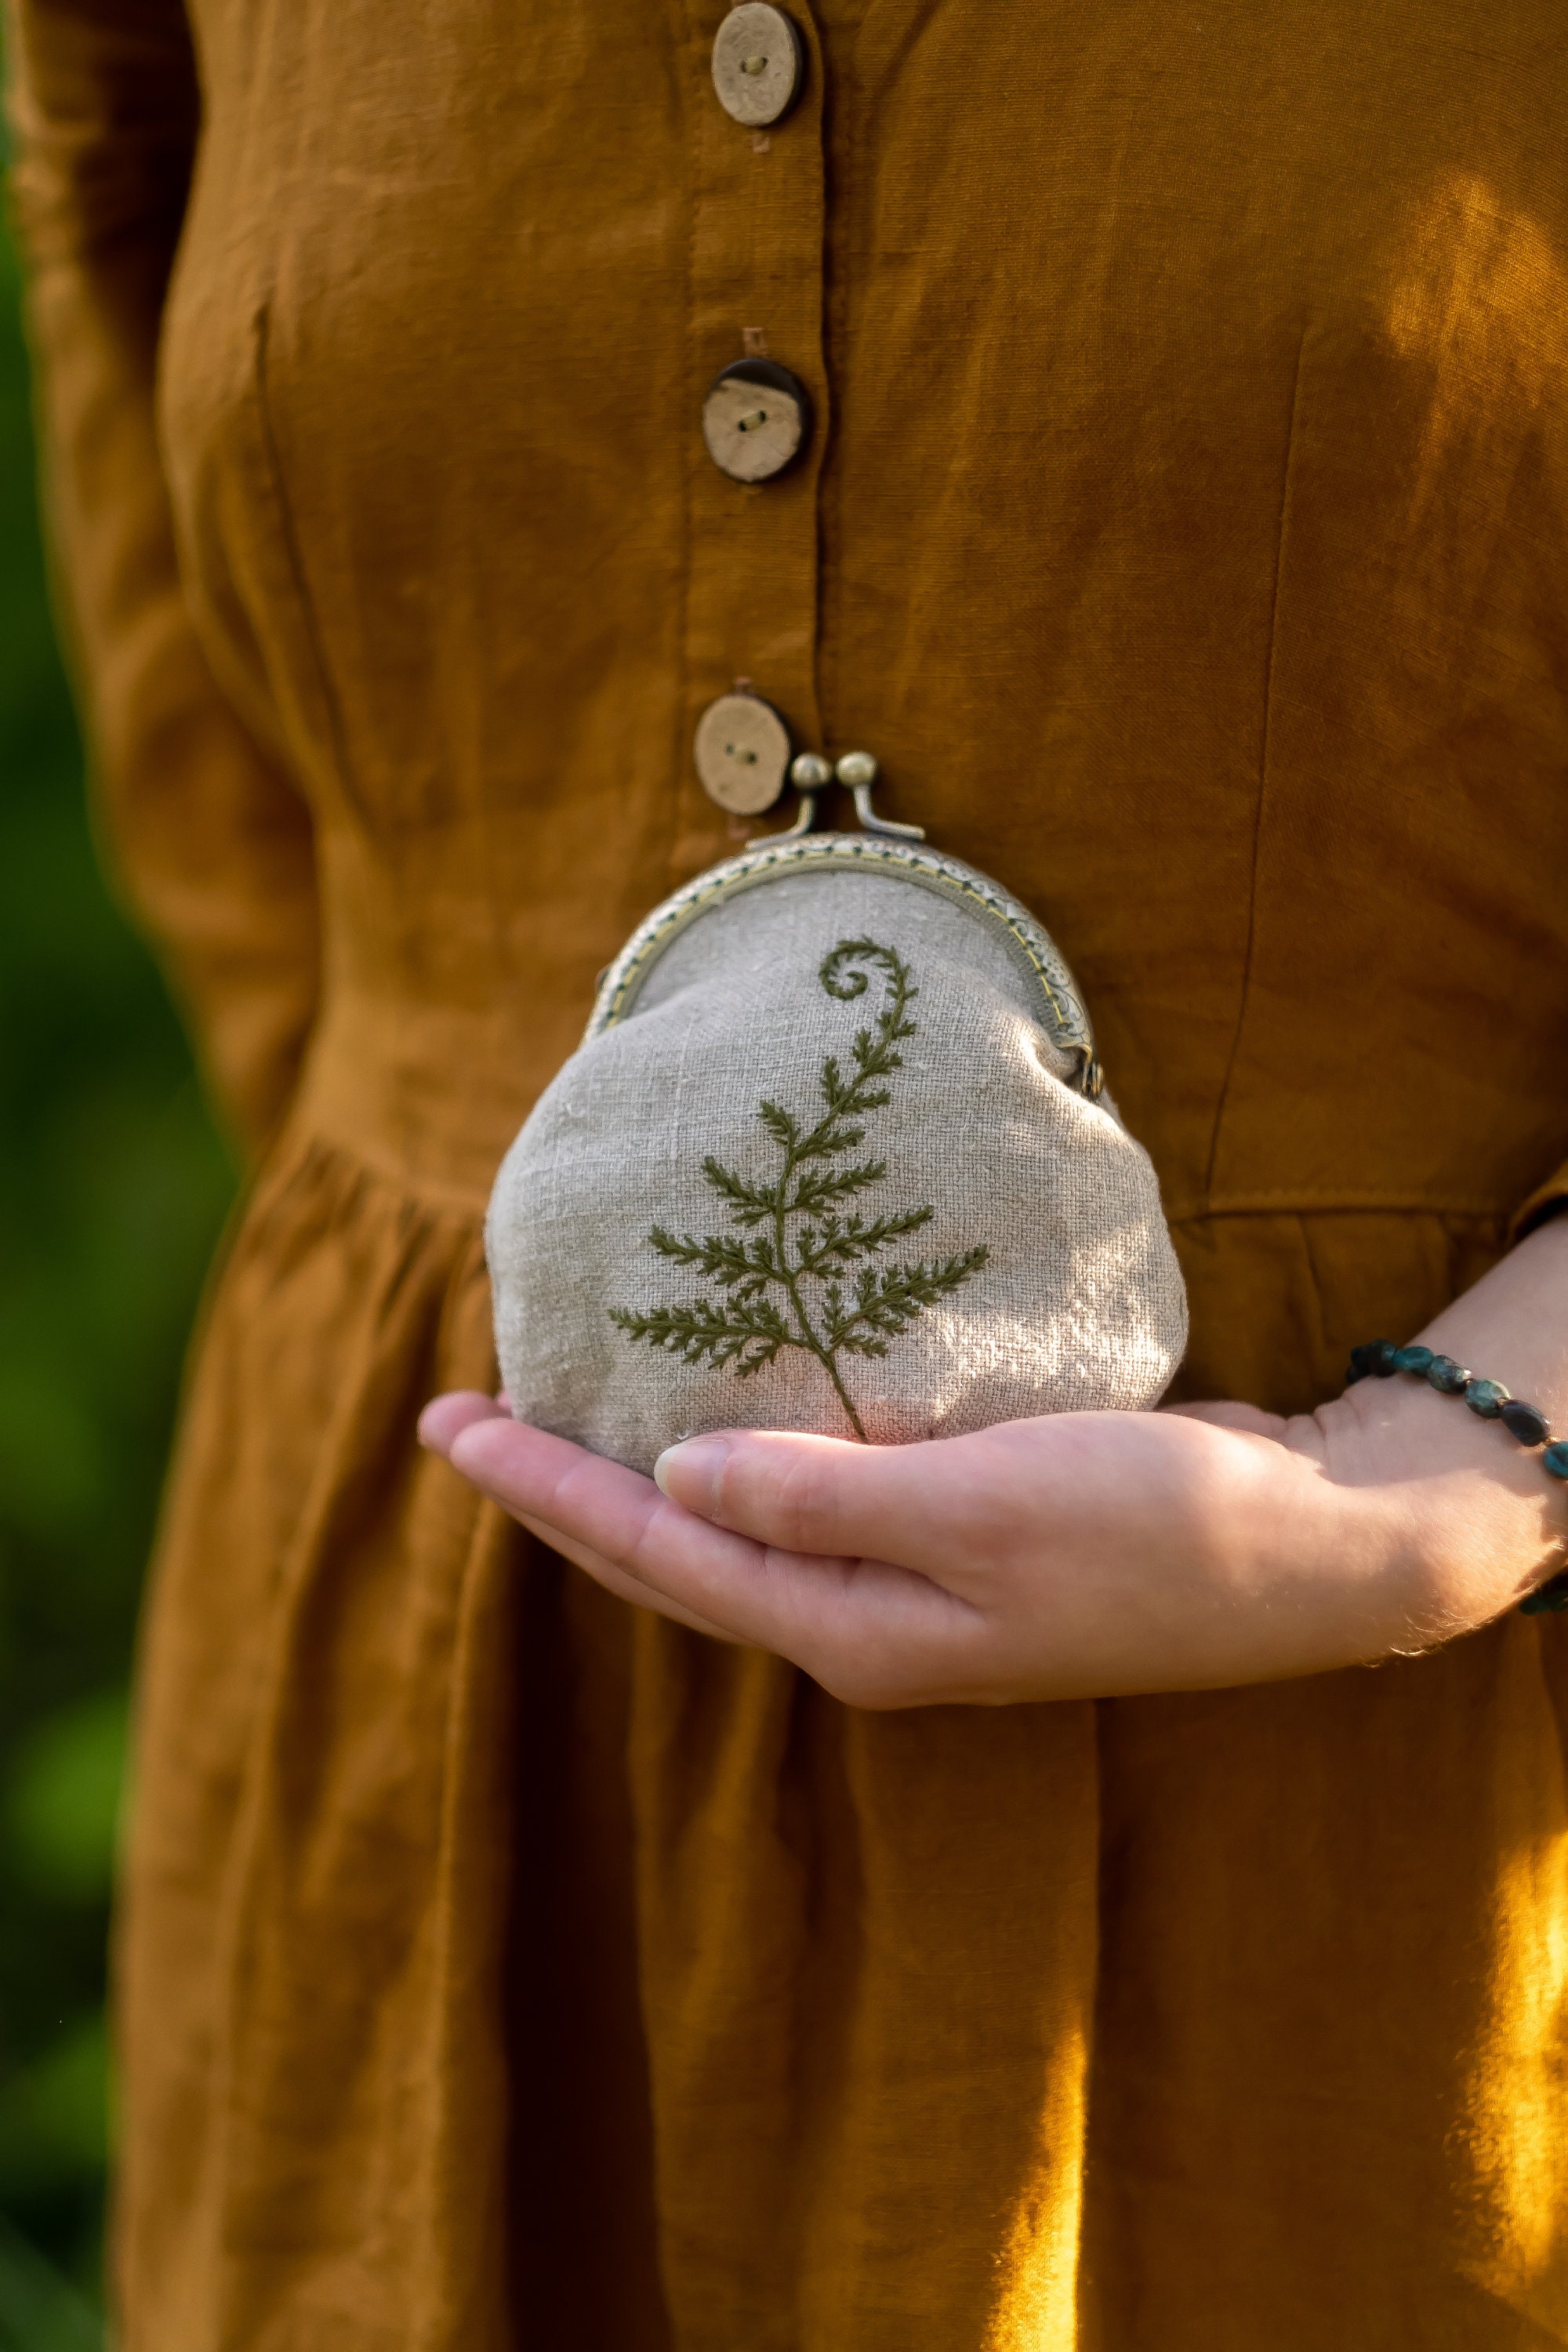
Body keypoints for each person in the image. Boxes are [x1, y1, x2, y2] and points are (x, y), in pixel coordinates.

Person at [10, 0, 1568, 2342]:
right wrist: (529, 1245)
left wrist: (1441, 1462)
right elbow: (238, 821)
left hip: (1396, 1828)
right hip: (444, 1768)